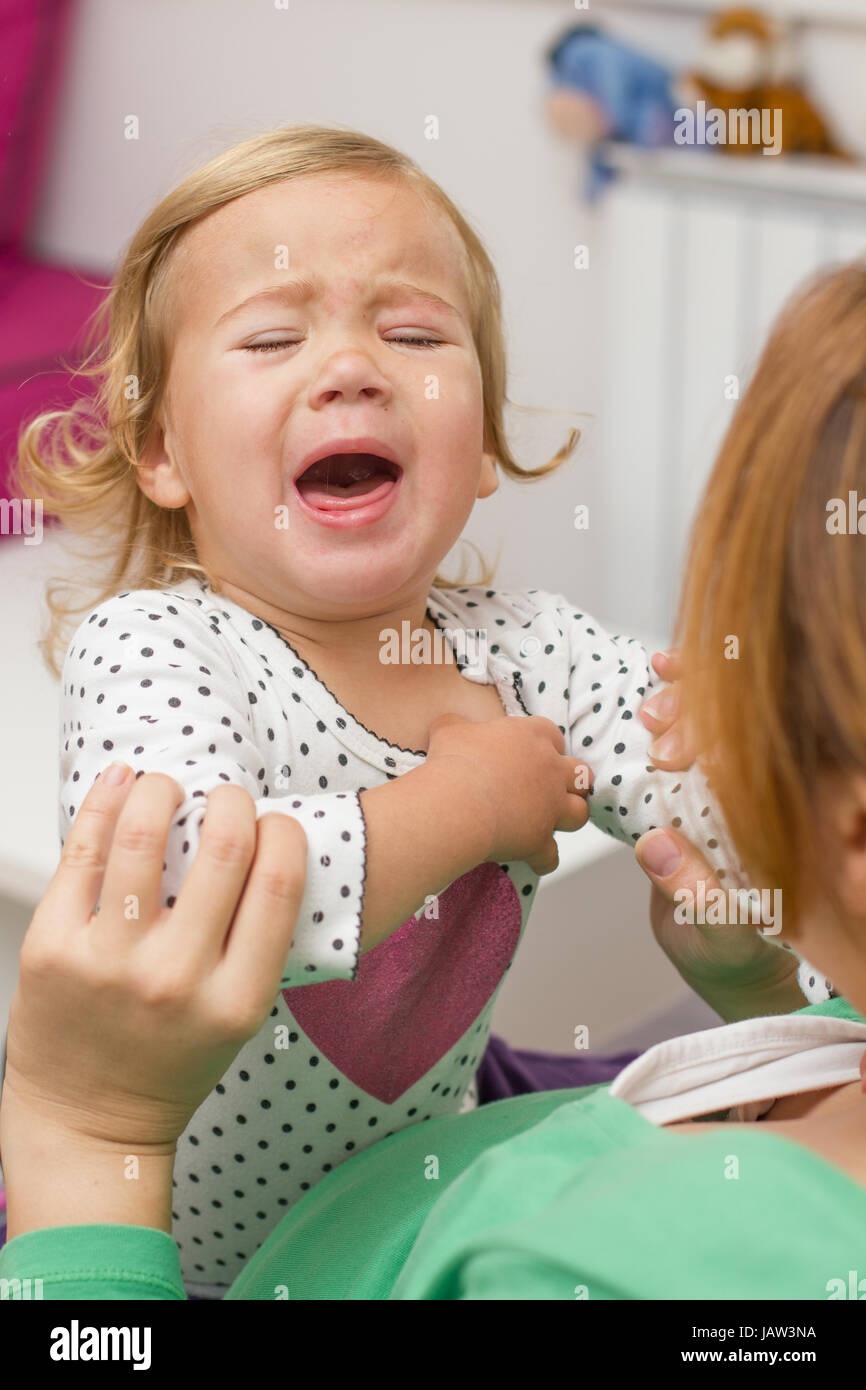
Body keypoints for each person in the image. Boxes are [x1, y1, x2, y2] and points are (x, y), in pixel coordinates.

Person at [9, 124, 806, 1296]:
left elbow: (710, 814)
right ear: (162, 448)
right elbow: (186, 901)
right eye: (275, 335)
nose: (351, 367)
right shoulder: (161, 644)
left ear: (480, 443)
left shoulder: (523, 647)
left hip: (408, 1209)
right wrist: (470, 799)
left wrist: (741, 751)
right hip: (185, 1258)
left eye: (414, 333)